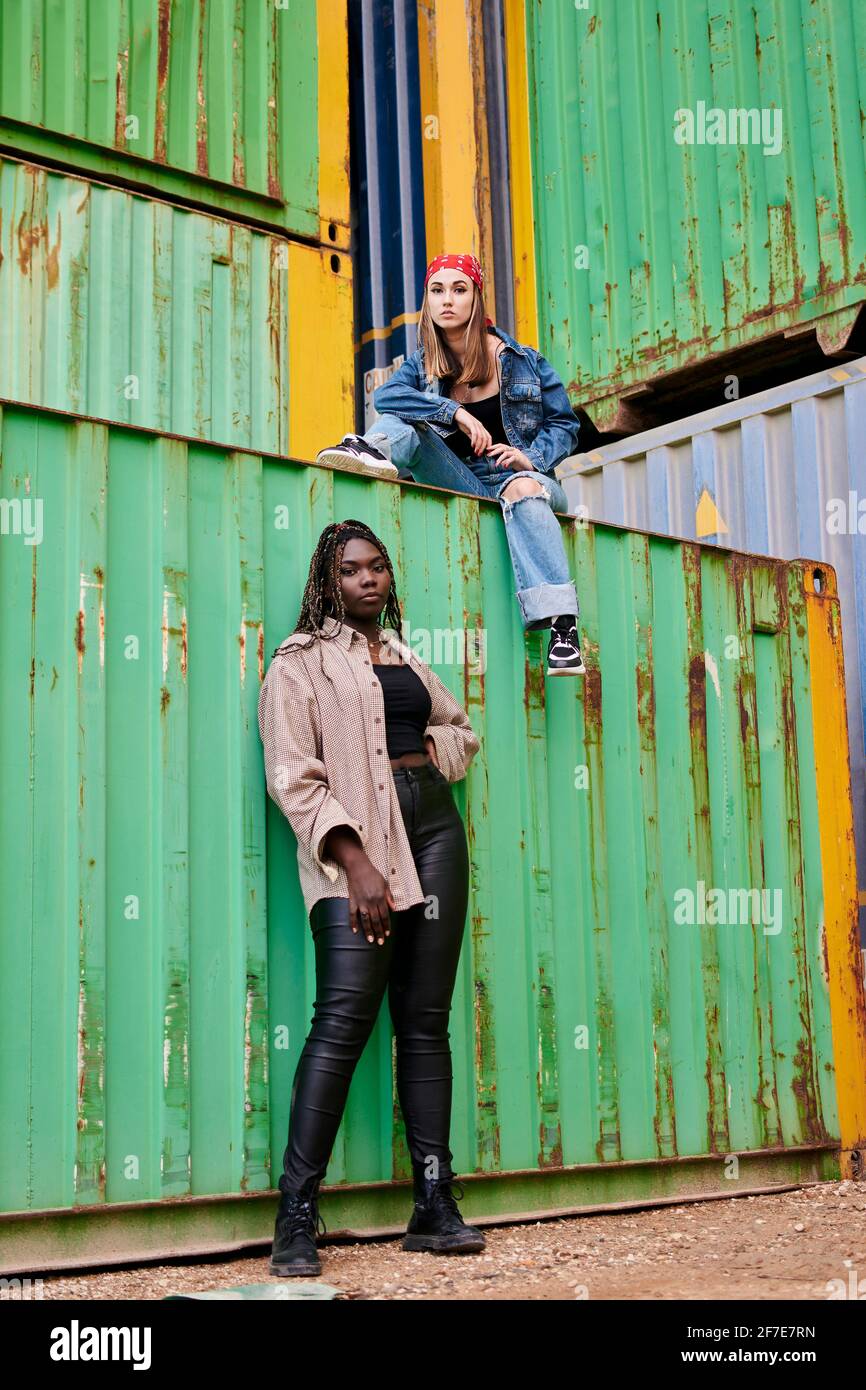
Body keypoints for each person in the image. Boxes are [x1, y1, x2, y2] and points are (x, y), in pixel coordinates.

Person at [257, 518, 485, 1278]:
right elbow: (292, 775)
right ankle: (295, 1215)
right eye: (353, 570)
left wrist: (426, 755)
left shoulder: (406, 656)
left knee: (424, 1021)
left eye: (379, 568)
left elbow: (457, 729)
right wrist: (354, 864)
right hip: (353, 846)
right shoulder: (299, 664)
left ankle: (433, 1202)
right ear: (329, 581)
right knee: (344, 1019)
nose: (370, 580)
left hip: (434, 833)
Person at [316, 252, 586, 676]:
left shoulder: (523, 361)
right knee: (407, 419)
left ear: (475, 298)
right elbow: (386, 398)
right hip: (463, 481)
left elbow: (566, 426)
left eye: (459, 290)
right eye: (437, 291)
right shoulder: (424, 363)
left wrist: (528, 457)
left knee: (522, 490)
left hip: (525, 479)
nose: (447, 300)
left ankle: (563, 630)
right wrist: (453, 412)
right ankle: (371, 451)